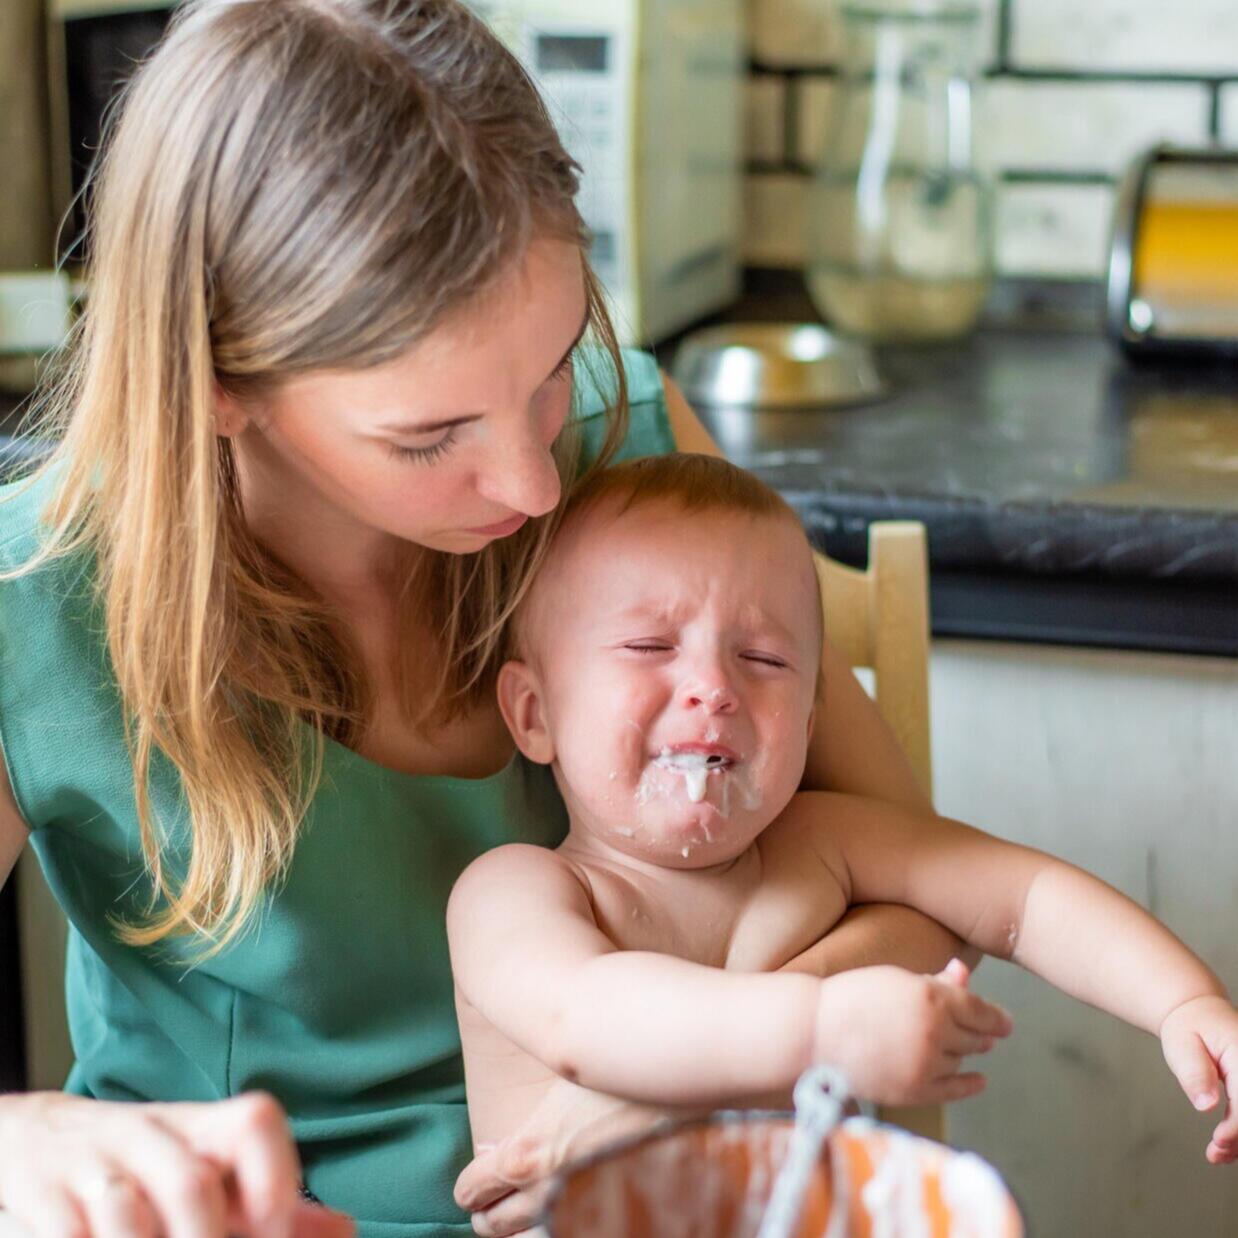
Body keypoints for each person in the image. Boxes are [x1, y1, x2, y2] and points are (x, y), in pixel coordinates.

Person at [0, 3, 977, 1237]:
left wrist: (673, 1072)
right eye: (429, 435)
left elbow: (927, 896)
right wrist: (23, 1140)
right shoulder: (29, 598)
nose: (535, 485)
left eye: (554, 363)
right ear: (216, 383)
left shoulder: (624, 440)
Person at [448, 452, 1238, 1170]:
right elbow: (583, 1018)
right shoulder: (515, 891)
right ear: (533, 715)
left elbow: (1024, 898)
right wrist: (821, 1029)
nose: (714, 688)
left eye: (761, 659)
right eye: (651, 647)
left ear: (813, 725)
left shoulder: (821, 845)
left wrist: (1183, 1002)